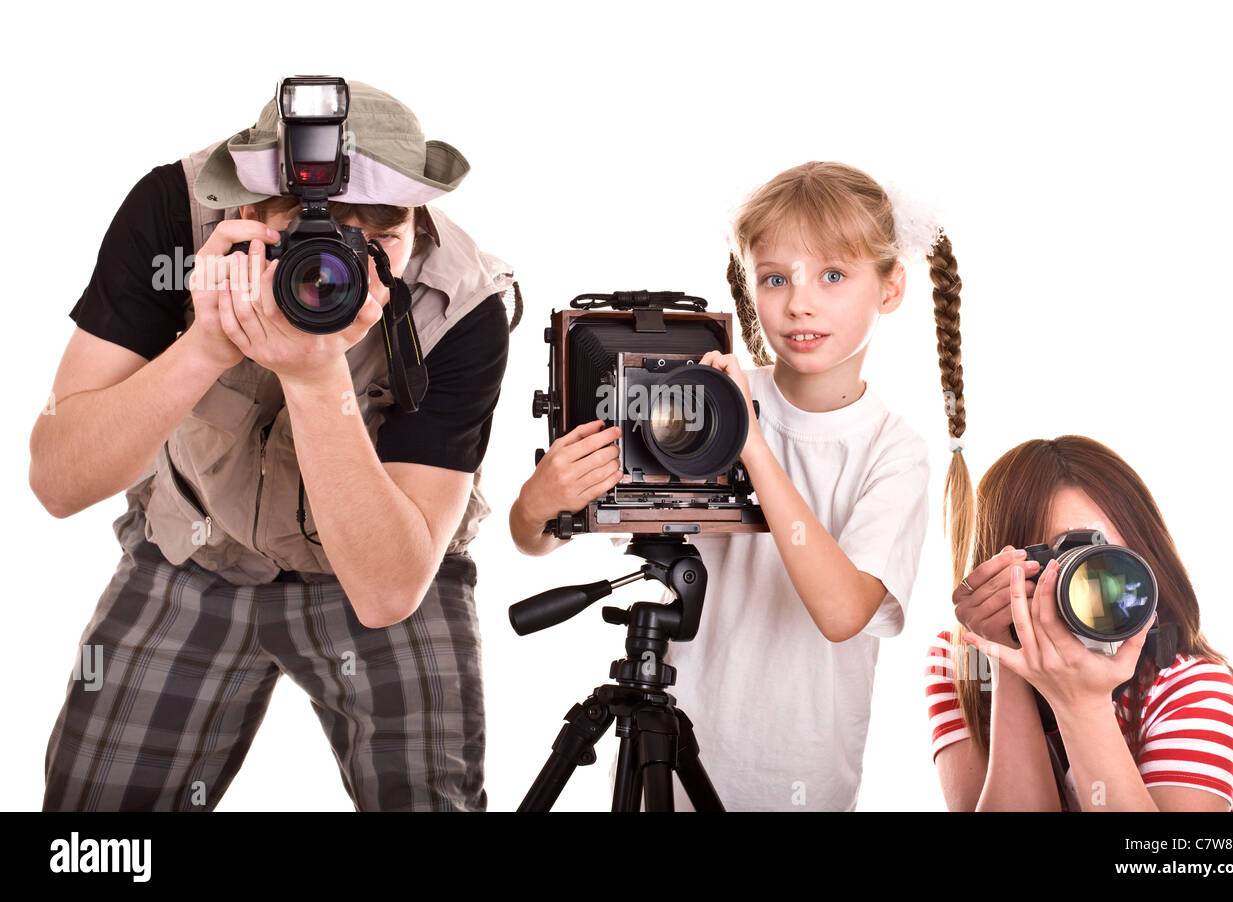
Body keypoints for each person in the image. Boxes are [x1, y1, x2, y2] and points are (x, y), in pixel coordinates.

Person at [31, 81, 519, 811]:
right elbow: (58, 482)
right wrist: (204, 345)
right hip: (193, 542)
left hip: (383, 552)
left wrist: (317, 379)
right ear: (245, 212)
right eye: (308, 230)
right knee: (97, 833)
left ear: (418, 218)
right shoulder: (174, 214)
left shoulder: (463, 299)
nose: (335, 265)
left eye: (377, 232)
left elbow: (389, 591)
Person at [512, 161, 972, 809]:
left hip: (800, 782)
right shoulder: (698, 398)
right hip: (666, 760)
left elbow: (843, 614)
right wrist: (540, 501)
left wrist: (751, 445)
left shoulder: (893, 451)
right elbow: (543, 536)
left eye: (833, 275)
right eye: (775, 278)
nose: (799, 302)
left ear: (891, 287)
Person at [925, 436, 1233, 811]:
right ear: (1007, 572)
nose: (1094, 585)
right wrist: (1006, 654)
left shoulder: (1191, 685)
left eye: (1110, 559)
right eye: (1063, 560)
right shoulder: (964, 661)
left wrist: (1084, 703)